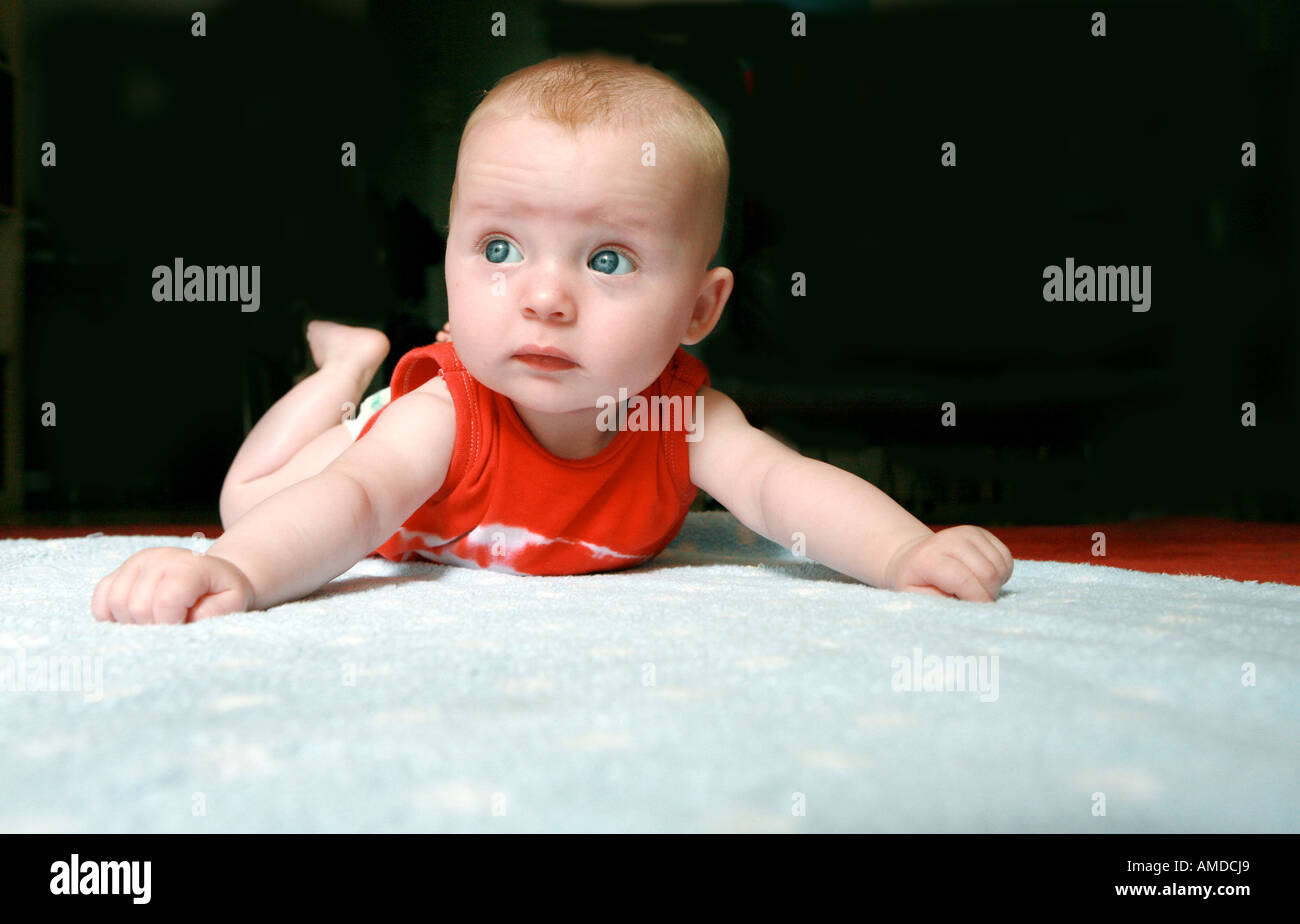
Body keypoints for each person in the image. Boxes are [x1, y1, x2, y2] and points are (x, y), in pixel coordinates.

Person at [92, 52, 1012, 624]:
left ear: (700, 308)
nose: (544, 298)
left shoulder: (681, 421)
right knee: (251, 501)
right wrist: (236, 574)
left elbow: (785, 489)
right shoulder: (447, 414)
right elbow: (357, 504)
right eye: (499, 249)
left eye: (607, 260)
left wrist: (905, 555)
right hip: (381, 425)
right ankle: (352, 364)